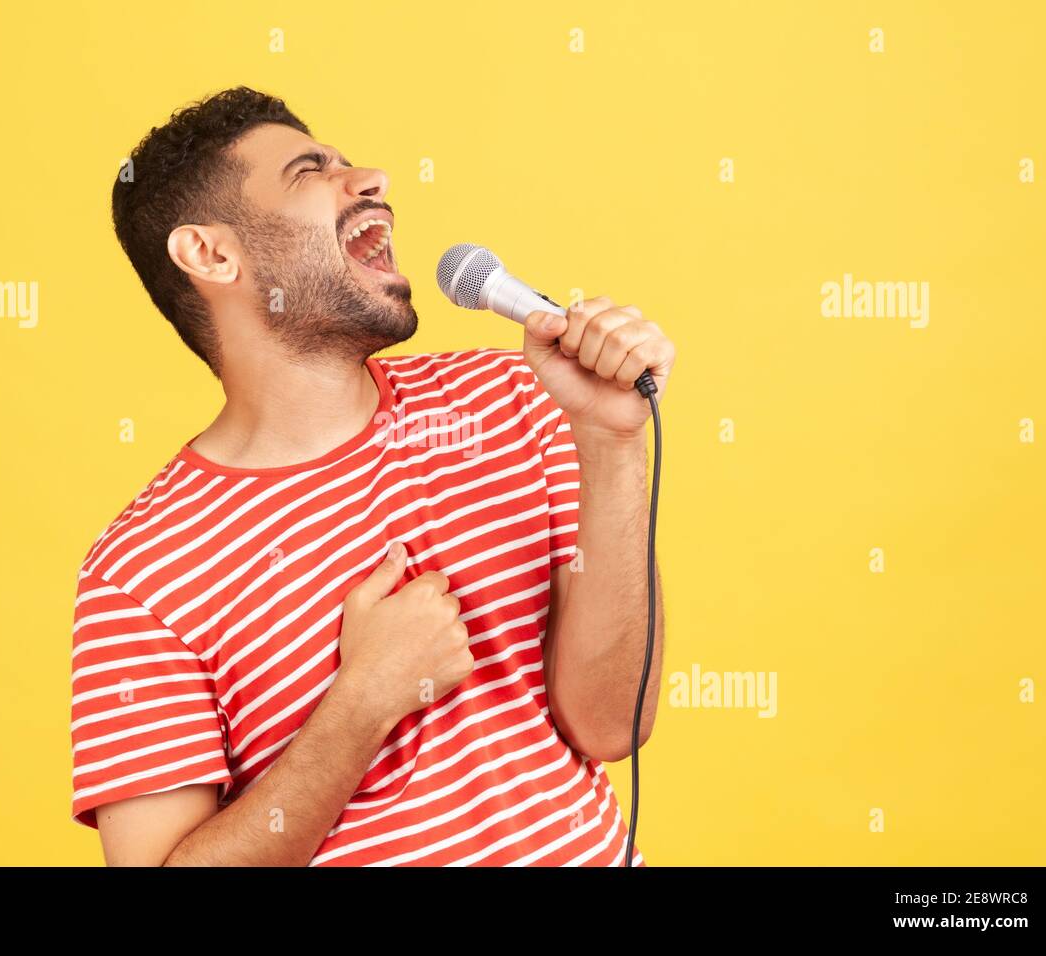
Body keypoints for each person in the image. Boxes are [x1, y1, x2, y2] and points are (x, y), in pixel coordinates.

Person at [71, 86, 676, 866]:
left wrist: (612, 444)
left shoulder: (511, 400)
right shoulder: (140, 573)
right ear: (212, 254)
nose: (372, 179)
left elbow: (610, 727)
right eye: (309, 170)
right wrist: (364, 701)